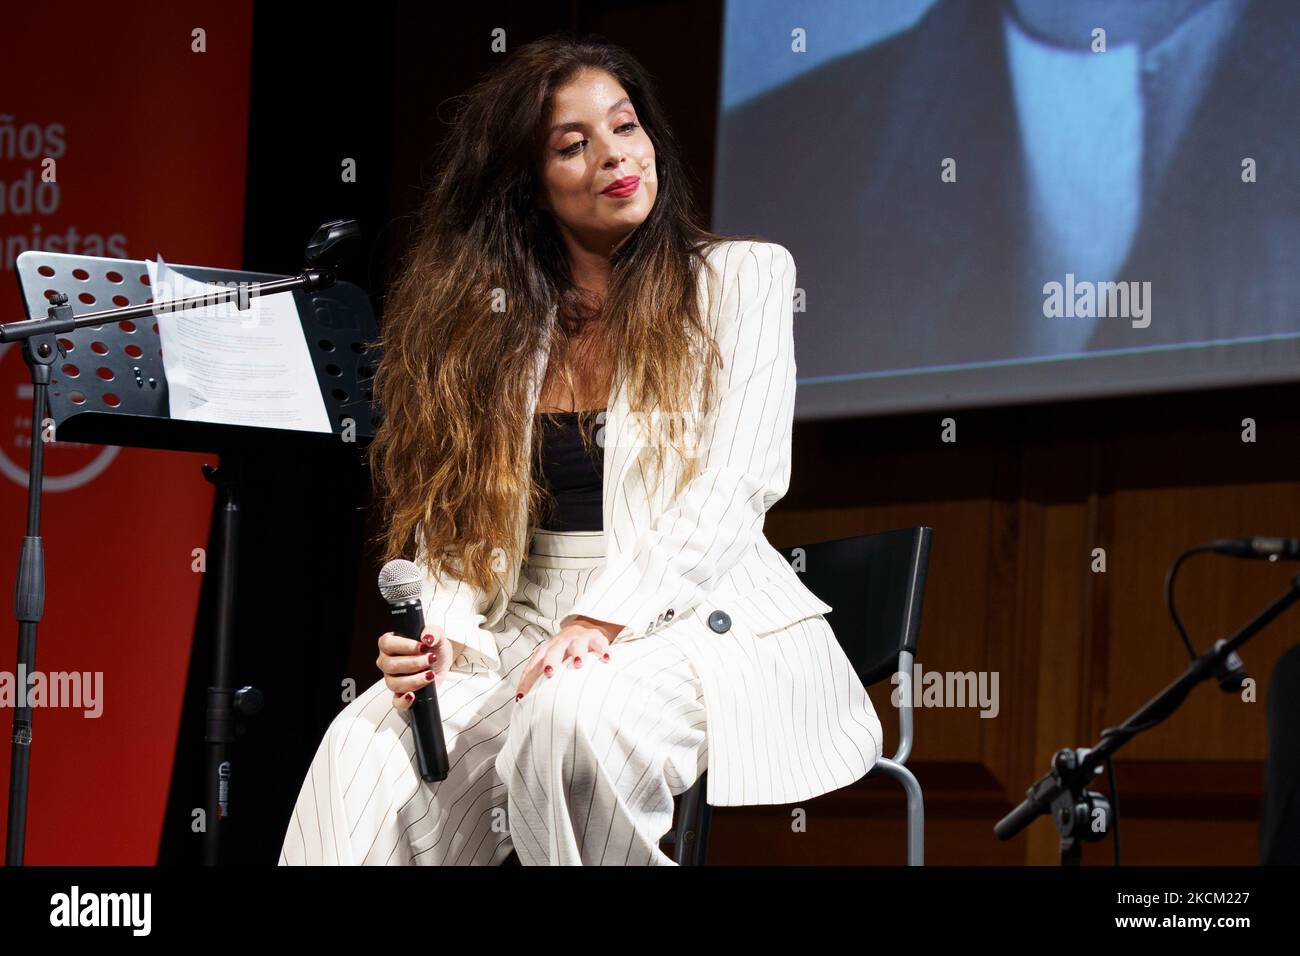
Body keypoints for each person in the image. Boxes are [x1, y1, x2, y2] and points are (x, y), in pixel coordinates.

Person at [278, 33, 882, 867]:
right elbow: (458, 516)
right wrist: (441, 635)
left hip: (685, 615)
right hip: (522, 624)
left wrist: (602, 617)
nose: (614, 156)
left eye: (625, 127)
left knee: (570, 720)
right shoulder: (487, 326)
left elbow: (737, 482)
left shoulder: (741, 279)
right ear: (528, 188)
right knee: (367, 739)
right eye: (574, 144)